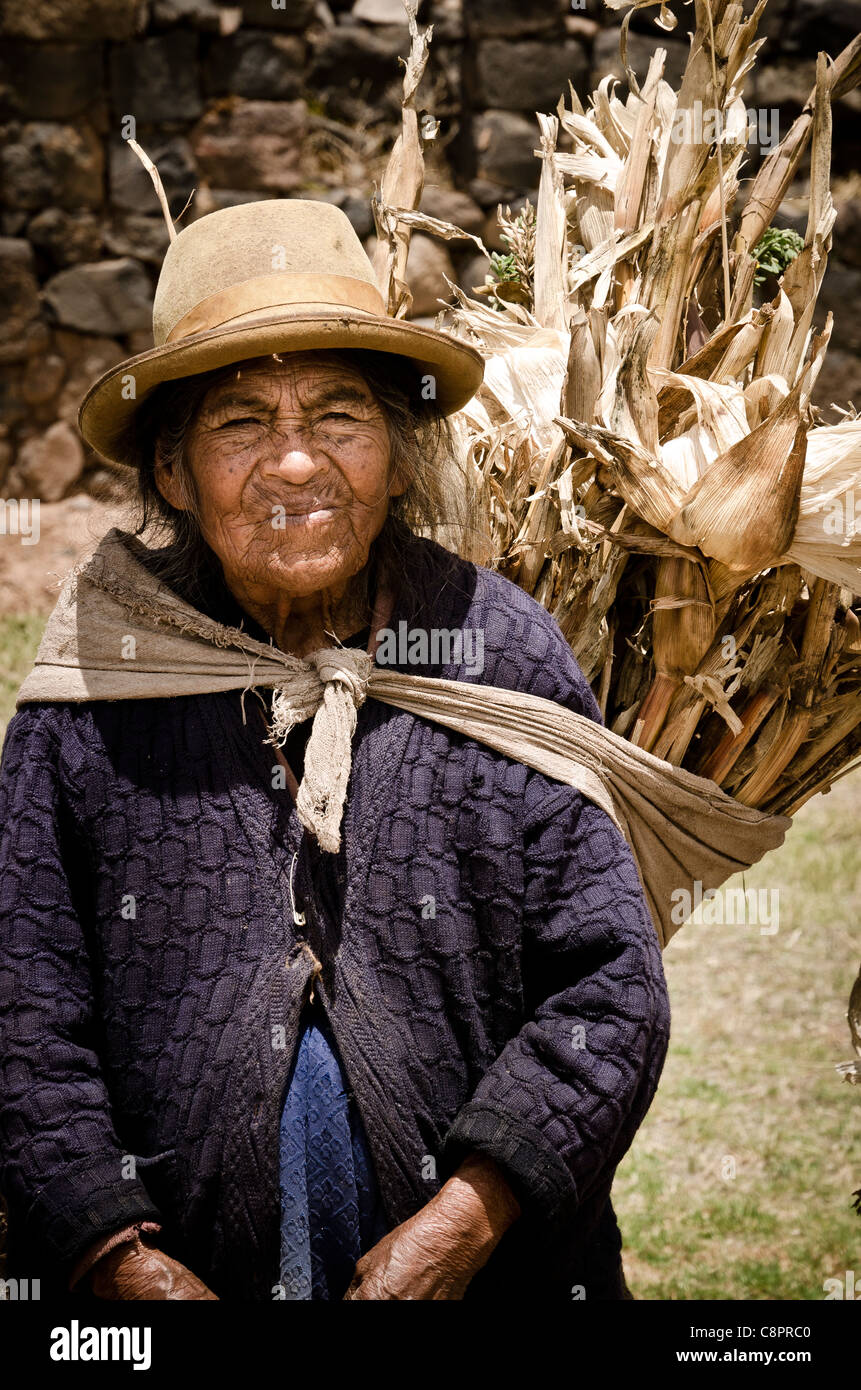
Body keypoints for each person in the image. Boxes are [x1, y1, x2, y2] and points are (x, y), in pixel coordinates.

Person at [0, 199, 670, 1301]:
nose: (296, 462)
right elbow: (24, 1005)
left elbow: (610, 988)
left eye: (339, 415)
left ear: (399, 457)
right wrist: (115, 1257)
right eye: (240, 423)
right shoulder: (100, 679)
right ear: (172, 472)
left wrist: (465, 1221)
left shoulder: (493, 651)